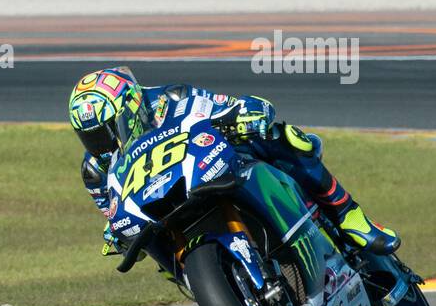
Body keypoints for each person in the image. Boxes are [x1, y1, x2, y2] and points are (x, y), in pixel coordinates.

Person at [68, 67, 399, 260]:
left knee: (281, 135)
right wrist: (116, 232)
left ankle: (349, 215)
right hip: (164, 204)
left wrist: (246, 113)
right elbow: (111, 211)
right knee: (141, 239)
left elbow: (228, 107)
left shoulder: (171, 98)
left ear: (130, 108)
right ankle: (206, 292)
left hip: (211, 168)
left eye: (106, 131)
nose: (101, 145)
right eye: (91, 137)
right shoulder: (96, 169)